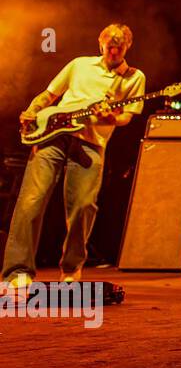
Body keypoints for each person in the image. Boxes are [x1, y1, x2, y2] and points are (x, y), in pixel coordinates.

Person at [3, 24, 146, 287]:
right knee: (31, 202)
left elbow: (126, 116)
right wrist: (32, 111)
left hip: (91, 143)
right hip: (53, 137)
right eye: (109, 46)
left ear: (128, 47)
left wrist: (110, 116)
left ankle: (71, 268)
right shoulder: (79, 65)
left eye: (119, 47)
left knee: (83, 205)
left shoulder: (134, 78)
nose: (113, 51)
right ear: (100, 43)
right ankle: (18, 272)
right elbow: (49, 95)